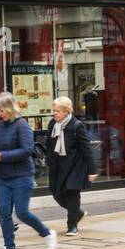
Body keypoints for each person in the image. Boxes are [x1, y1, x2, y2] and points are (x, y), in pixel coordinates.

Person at [0, 92, 57, 249]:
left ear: (11, 108)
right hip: (3, 176)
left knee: (22, 212)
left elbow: (27, 150)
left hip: (22, 175)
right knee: (4, 213)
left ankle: (47, 234)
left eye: (2, 110)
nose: (0, 114)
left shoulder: (22, 125)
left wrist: (2, 156)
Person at [44, 95, 97, 237]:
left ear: (67, 112)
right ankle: (77, 212)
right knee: (57, 194)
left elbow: (86, 149)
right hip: (57, 165)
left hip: (74, 165)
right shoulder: (52, 124)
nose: (54, 113)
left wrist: (92, 170)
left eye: (58, 111)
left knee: (72, 193)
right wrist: (49, 159)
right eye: (54, 111)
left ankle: (72, 225)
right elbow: (49, 144)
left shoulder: (76, 126)